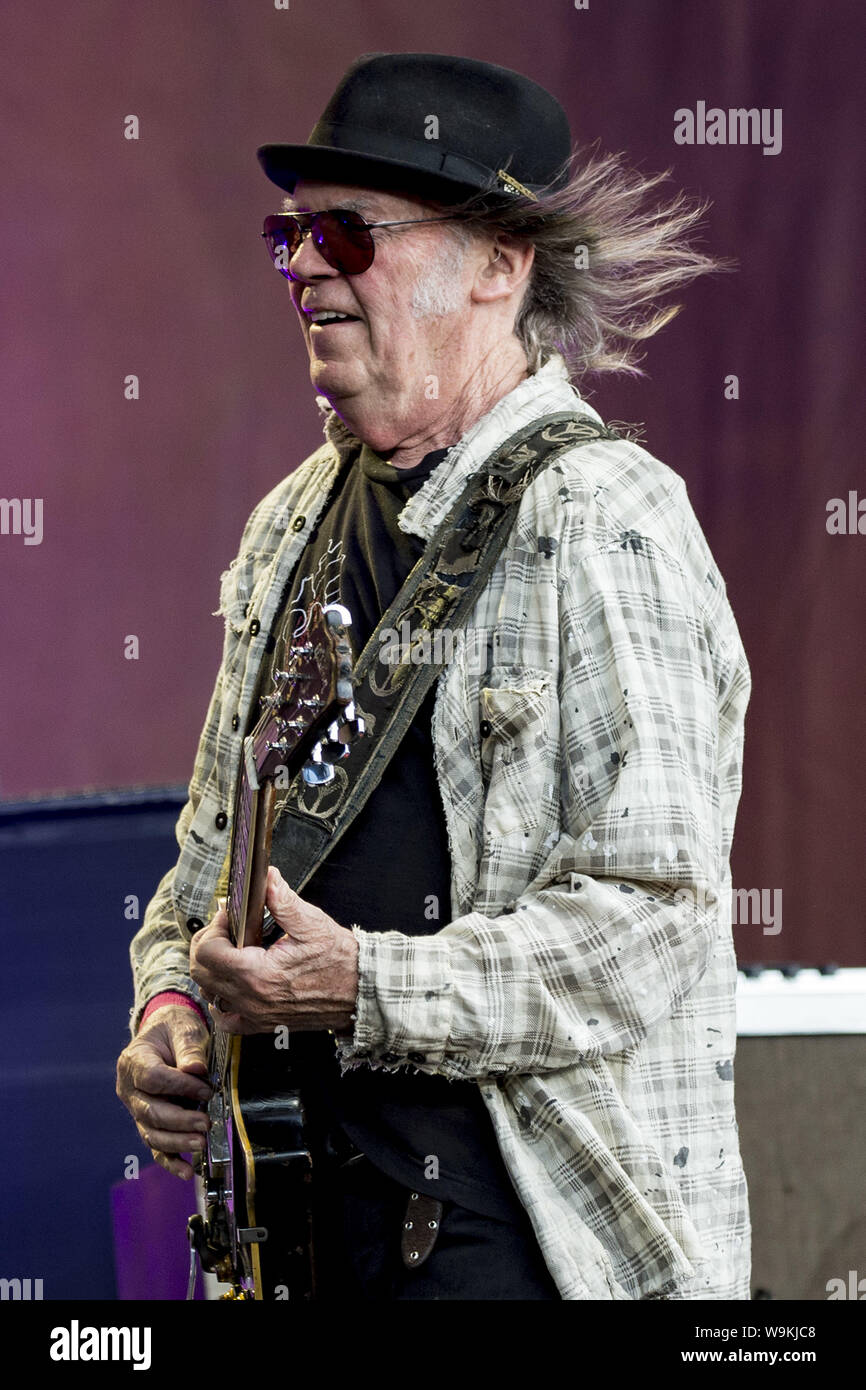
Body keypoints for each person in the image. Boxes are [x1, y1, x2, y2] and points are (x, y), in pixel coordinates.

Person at [116, 52, 752, 1301]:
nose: (301, 267)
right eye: (288, 236)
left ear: (498, 264)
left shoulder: (603, 519)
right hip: (300, 1241)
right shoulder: (287, 522)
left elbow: (653, 923)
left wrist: (366, 987)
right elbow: (199, 870)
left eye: (347, 233)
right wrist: (172, 1009)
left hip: (522, 1248)